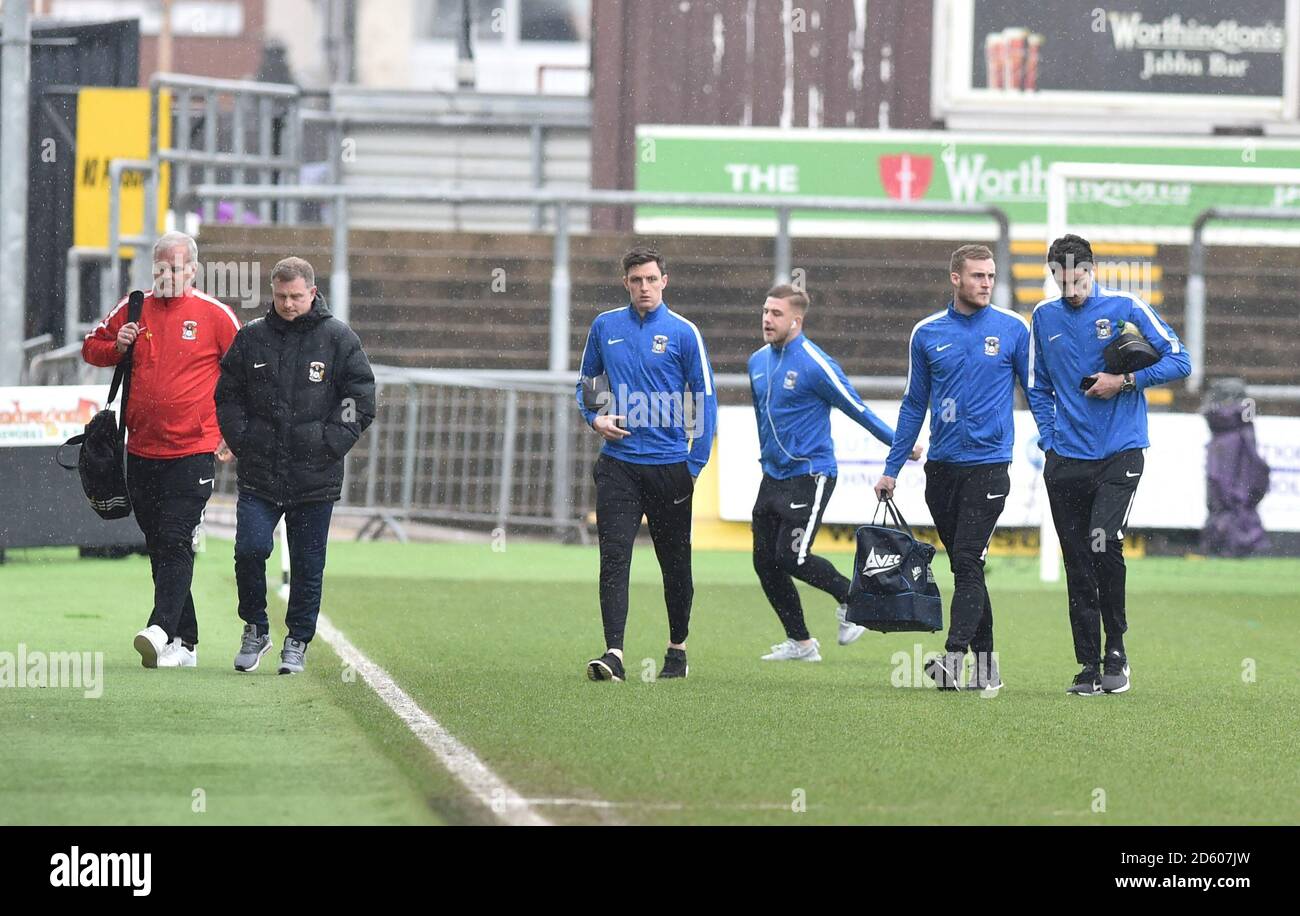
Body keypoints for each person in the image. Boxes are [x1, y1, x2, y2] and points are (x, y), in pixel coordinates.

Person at [1028, 234, 1190, 696]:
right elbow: (1038, 387)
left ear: (1091, 269)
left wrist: (1125, 381)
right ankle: (1087, 665)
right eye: (1061, 278)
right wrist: (1049, 439)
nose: (1071, 287)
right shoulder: (1044, 317)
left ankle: (1115, 647)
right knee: (1077, 563)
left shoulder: (1126, 306)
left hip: (1121, 451)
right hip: (1067, 458)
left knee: (1104, 544)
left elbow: (1182, 360)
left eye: (1078, 277)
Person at [874, 244, 1030, 693]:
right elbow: (913, 405)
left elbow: (1035, 391)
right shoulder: (927, 333)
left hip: (989, 467)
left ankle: (953, 657)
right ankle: (987, 668)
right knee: (968, 569)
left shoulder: (1012, 329)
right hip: (941, 471)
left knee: (966, 559)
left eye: (991, 275)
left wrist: (1055, 441)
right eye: (978, 275)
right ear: (955, 279)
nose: (986, 283)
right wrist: (893, 468)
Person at [82, 231, 241, 668]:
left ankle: (159, 628)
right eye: (159, 268)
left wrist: (234, 431)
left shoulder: (215, 315)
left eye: (174, 268)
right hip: (141, 448)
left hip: (193, 448)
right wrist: (117, 345)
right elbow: (90, 348)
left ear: (192, 269)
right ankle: (184, 643)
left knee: (174, 538)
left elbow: (245, 373)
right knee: (159, 542)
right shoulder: (133, 307)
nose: (166, 275)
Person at [215, 257, 375, 675]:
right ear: (273, 293)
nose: (288, 304)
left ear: (312, 292)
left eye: (296, 296)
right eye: (282, 296)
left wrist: (330, 443)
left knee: (308, 564)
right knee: (250, 550)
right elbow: (227, 395)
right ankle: (256, 627)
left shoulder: (339, 338)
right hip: (260, 472)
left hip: (314, 475)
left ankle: (297, 641)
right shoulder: (251, 337)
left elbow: (359, 399)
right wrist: (243, 440)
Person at [748, 284, 919, 661]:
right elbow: (764, 420)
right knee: (764, 561)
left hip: (811, 473)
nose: (767, 319)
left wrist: (901, 445)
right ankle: (802, 643)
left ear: (797, 319)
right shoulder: (756, 362)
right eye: (765, 311)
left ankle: (854, 602)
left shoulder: (814, 363)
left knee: (793, 556)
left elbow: (858, 409)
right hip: (772, 476)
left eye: (776, 314)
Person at [576, 246, 717, 682]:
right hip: (618, 466)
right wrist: (595, 418)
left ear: (664, 281)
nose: (644, 288)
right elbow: (589, 381)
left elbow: (704, 399)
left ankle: (677, 649)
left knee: (674, 563)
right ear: (626, 283)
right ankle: (614, 652)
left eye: (651, 280)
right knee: (614, 558)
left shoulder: (683, 333)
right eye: (636, 280)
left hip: (670, 467)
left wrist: (693, 464)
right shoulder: (605, 327)